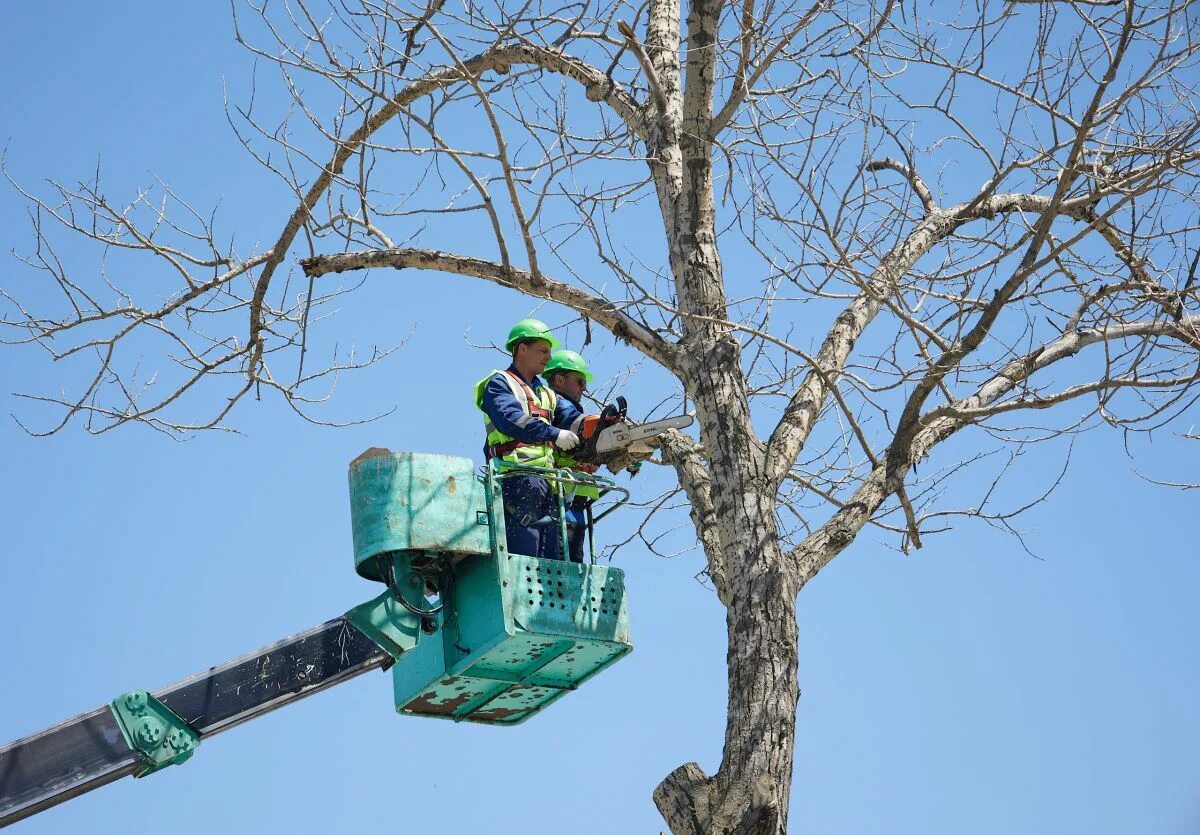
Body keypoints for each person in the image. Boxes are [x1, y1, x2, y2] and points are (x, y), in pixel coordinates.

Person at [474, 319, 584, 560]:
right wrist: (554, 434)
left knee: (552, 556)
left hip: (547, 483)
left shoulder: (546, 394)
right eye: (543, 350)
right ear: (522, 348)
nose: (548, 357)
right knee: (525, 552)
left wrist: (605, 427)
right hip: (515, 478)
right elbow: (510, 419)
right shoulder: (500, 383)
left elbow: (572, 420)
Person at [543, 350, 600, 563]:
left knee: (572, 563)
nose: (584, 387)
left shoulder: (565, 407)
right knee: (564, 567)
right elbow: (574, 421)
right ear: (559, 379)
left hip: (573, 499)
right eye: (580, 381)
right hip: (561, 500)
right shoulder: (558, 403)